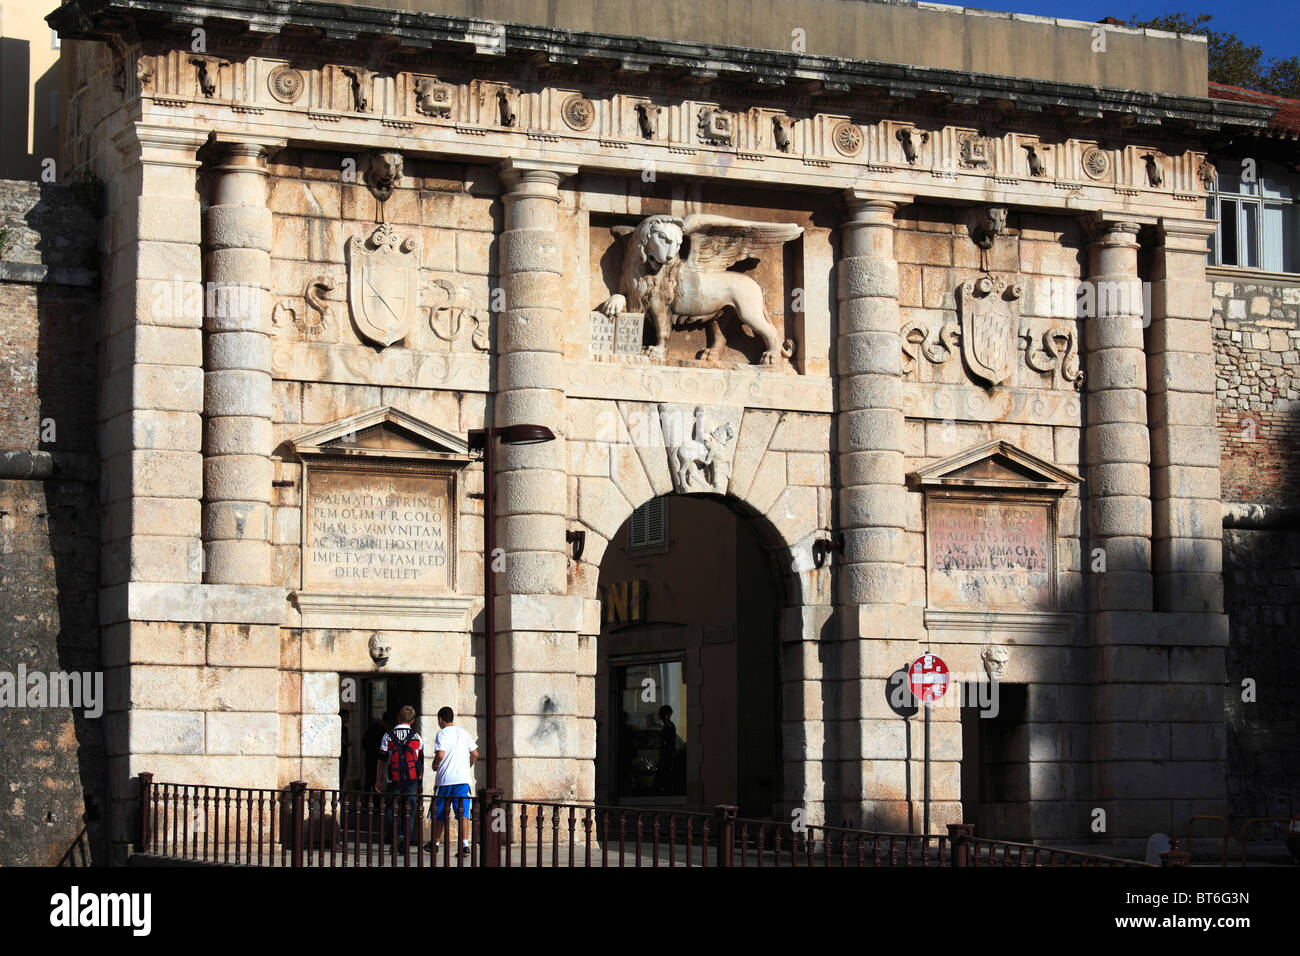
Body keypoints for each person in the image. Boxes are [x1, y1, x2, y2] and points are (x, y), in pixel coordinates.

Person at [427, 706, 477, 856]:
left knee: (439, 812)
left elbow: (441, 754)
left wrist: (434, 764)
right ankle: (465, 845)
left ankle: (435, 843)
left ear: (440, 719)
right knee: (463, 812)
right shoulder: (464, 733)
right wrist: (467, 766)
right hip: (462, 780)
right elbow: (475, 753)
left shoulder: (441, 734)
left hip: (444, 780)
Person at [375, 705, 422, 855]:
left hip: (392, 779)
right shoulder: (416, 737)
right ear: (412, 721)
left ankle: (397, 834)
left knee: (390, 809)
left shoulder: (388, 736)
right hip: (411, 781)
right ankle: (404, 846)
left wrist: (378, 779)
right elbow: (419, 761)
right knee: (409, 811)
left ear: (398, 718)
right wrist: (419, 781)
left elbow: (382, 760)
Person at [654, 705, 676, 794]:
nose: (659, 715)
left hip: (667, 755)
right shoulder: (668, 725)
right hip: (667, 754)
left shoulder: (668, 726)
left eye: (661, 713)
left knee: (663, 772)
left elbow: (668, 742)